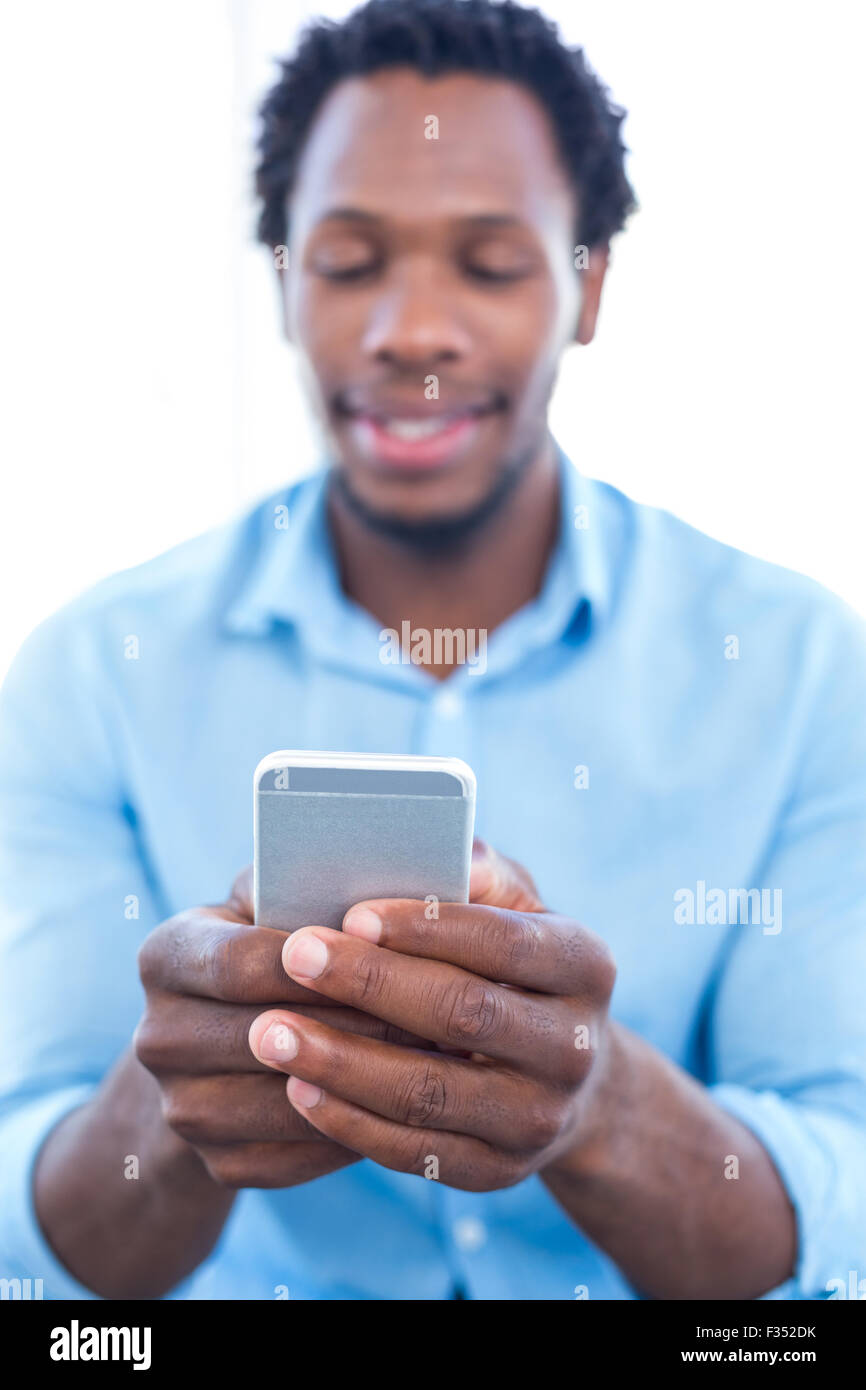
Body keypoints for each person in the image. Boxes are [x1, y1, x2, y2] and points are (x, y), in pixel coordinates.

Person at [1, 0, 864, 1302]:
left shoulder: (800, 670)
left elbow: (838, 1216)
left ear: (588, 286)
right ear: (286, 284)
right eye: (349, 261)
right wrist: (159, 1117)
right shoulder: (92, 672)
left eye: (490, 262)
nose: (411, 330)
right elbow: (34, 1250)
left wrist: (602, 1108)